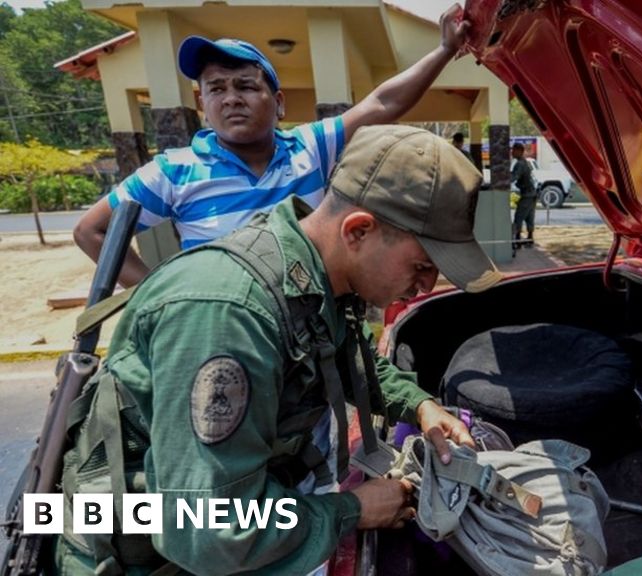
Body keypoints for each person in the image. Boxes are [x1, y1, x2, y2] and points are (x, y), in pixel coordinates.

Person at [54, 125, 503, 575]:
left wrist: (420, 406)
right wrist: (353, 510)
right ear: (359, 230)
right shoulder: (229, 316)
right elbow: (208, 531)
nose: (427, 285)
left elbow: (347, 357)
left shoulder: (310, 272)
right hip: (147, 555)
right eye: (422, 265)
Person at [74, 4, 471, 288]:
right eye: (215, 89)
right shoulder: (172, 172)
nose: (230, 98)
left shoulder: (310, 148)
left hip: (309, 341)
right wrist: (157, 294)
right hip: (229, 342)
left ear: (278, 103)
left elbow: (383, 103)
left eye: (246, 86)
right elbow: (91, 231)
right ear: (202, 105)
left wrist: (445, 50)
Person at [511, 142, 538, 246]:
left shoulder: (520, 164)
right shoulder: (524, 162)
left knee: (519, 217)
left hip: (527, 194)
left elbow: (514, 177)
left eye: (514, 150)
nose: (512, 152)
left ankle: (517, 239)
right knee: (529, 217)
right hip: (532, 193)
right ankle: (530, 238)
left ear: (520, 151)